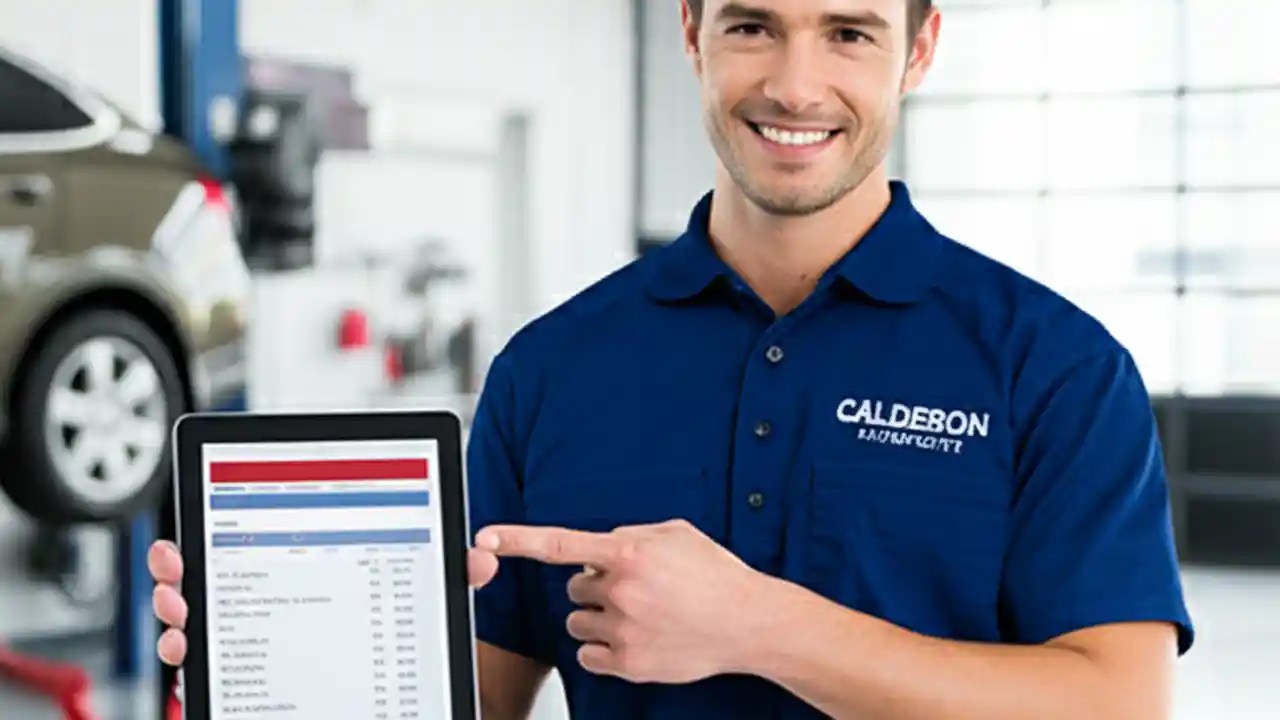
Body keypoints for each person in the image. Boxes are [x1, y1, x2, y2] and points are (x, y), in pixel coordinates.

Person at [148, 0, 1195, 717]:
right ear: (690, 30)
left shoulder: (1051, 367)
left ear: (915, 52)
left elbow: (1114, 698)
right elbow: (476, 696)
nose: (795, 84)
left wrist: (759, 626)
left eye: (846, 32)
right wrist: (290, 662)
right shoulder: (550, 369)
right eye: (751, 25)